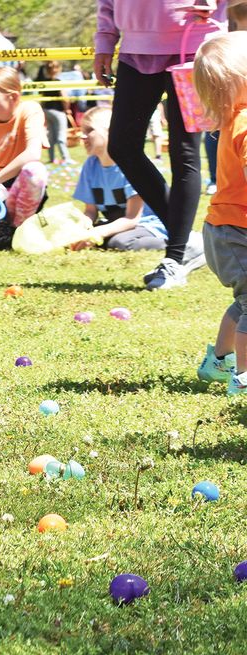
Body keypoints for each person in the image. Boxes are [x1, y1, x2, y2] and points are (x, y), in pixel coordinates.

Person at [94, 0, 224, 290]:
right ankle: (186, 239)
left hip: (194, 45)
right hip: (134, 51)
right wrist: (104, 43)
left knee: (185, 152)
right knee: (121, 146)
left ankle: (175, 258)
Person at [66, 107, 205, 258]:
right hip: (117, 222)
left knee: (117, 242)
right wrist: (83, 227)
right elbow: (91, 211)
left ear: (109, 131)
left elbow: (132, 219)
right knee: (87, 237)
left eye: (89, 130)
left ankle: (183, 243)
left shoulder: (129, 165)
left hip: (146, 224)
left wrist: (99, 232)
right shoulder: (91, 165)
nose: (82, 136)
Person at [192, 32, 247, 392]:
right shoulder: (245, 121)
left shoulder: (235, 118)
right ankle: (242, 379)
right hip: (235, 233)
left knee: (244, 302)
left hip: (224, 231)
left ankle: (218, 361)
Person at [0, 67, 49, 234]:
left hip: (12, 183)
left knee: (35, 171)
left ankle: (18, 230)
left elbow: (33, 153)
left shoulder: (29, 110)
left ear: (14, 97)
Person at [35, 61, 75, 165]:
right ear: (58, 69)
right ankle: (66, 158)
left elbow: (42, 96)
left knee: (51, 136)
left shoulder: (45, 82)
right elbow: (64, 98)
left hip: (46, 110)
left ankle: (51, 158)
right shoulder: (58, 81)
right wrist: (67, 109)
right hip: (58, 111)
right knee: (61, 135)